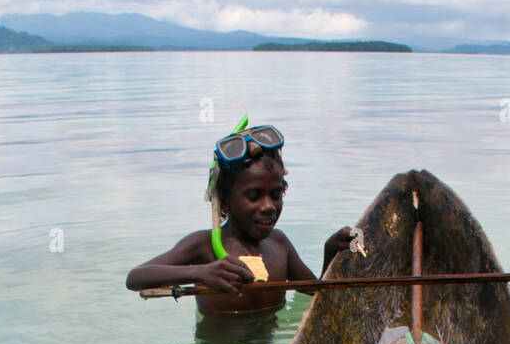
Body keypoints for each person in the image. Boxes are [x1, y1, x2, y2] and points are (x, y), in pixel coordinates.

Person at [125, 122, 354, 321]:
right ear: (224, 202)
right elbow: (136, 277)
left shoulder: (279, 243)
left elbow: (316, 293)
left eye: (275, 194)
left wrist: (330, 251)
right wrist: (201, 272)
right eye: (253, 197)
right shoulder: (204, 247)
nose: (268, 206)